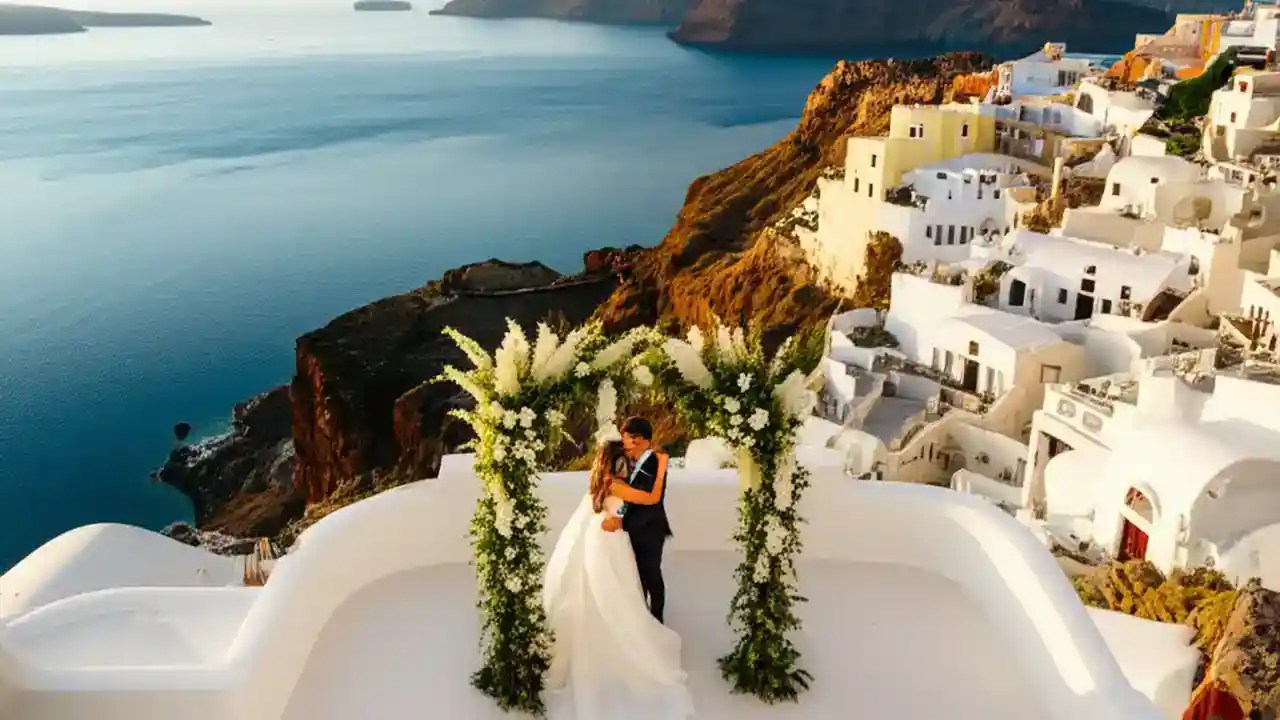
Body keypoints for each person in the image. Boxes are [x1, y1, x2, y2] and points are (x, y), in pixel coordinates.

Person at [542, 436, 691, 720]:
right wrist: (661, 468)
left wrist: (619, 518)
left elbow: (615, 511)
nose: (627, 464)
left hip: (606, 539)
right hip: (611, 545)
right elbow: (650, 497)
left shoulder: (598, 485)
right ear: (615, 463)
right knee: (615, 591)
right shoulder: (617, 485)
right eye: (623, 461)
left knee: (606, 589)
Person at [603, 416, 673, 623]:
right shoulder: (628, 462)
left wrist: (622, 519)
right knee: (638, 576)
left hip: (650, 528)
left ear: (640, 439)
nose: (624, 443)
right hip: (634, 529)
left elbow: (648, 500)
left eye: (627, 438)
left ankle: (657, 617)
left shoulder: (654, 463)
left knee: (652, 574)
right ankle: (643, 618)